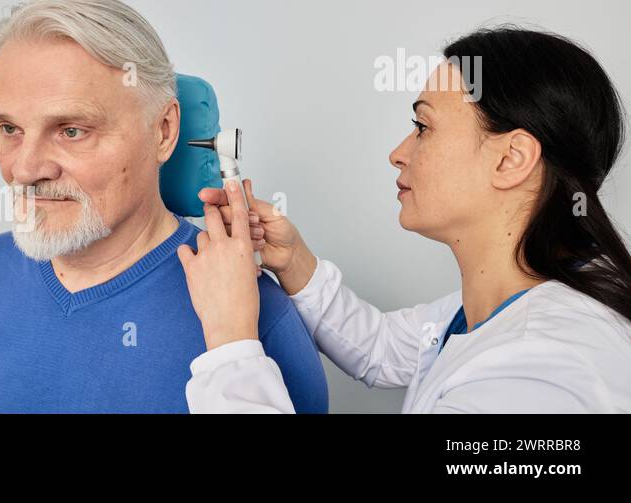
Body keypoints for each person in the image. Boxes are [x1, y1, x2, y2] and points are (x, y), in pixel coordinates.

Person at [180, 27, 631, 413]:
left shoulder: (542, 372)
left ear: (511, 159)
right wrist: (293, 260)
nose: (398, 154)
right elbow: (381, 347)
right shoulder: (517, 297)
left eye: (423, 128)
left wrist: (231, 338)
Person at [0, 0, 328, 413]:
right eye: (9, 128)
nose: (24, 169)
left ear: (163, 131)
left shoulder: (252, 318)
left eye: (71, 130)